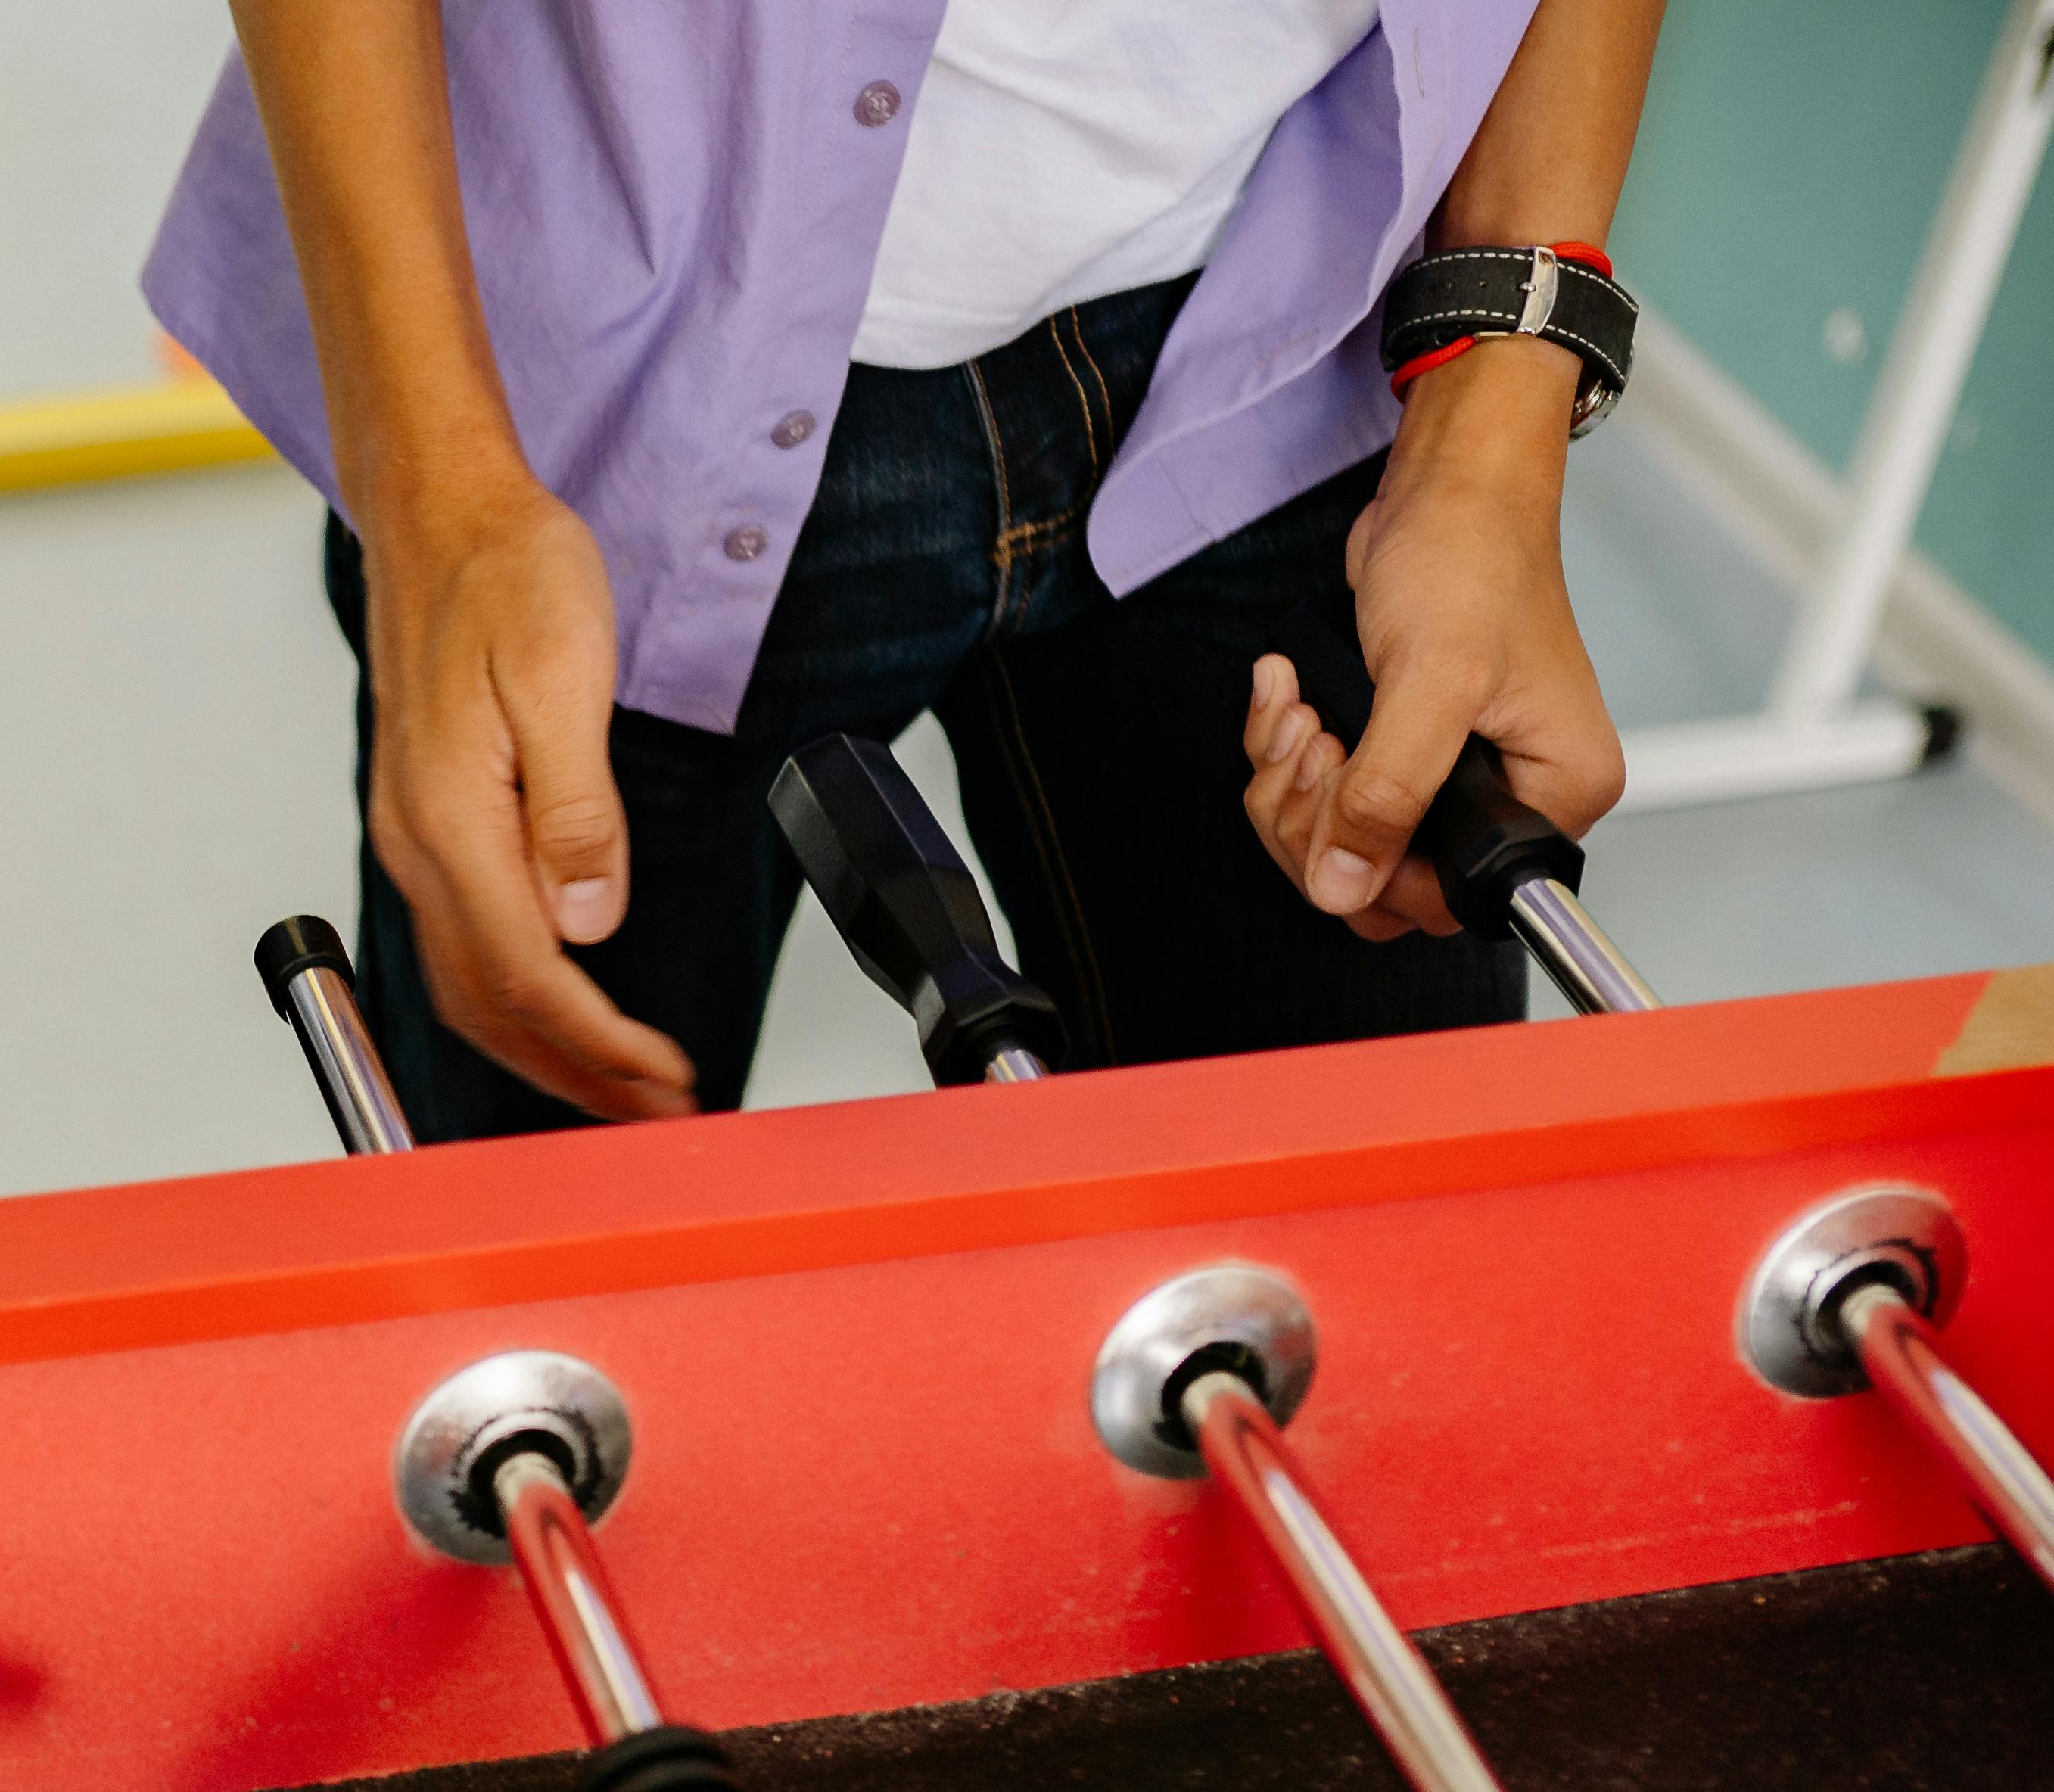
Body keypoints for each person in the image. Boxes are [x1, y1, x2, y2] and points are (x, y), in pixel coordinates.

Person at [149, 1, 1665, 1137]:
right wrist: (440, 496)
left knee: (1367, 1257)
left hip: (1292, 305)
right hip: (615, 349)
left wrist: (1495, 412)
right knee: (547, 1316)